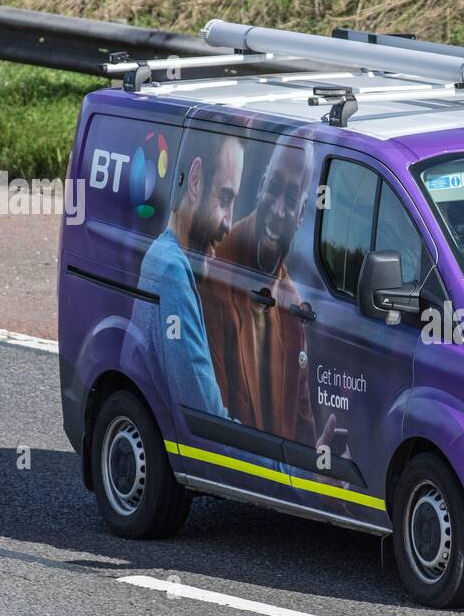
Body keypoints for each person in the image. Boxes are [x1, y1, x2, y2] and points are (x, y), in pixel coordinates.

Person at [201, 139, 341, 455]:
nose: (278, 209)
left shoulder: (293, 306)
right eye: (273, 188)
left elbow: (302, 433)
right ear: (261, 185)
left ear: (302, 212)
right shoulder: (218, 268)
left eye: (290, 198)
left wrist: (319, 464)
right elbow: (217, 424)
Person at [130, 131, 242, 418]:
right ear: (195, 181)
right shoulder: (171, 272)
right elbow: (208, 422)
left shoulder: (165, 257)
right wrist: (286, 464)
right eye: (225, 198)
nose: (228, 224)